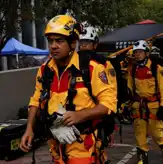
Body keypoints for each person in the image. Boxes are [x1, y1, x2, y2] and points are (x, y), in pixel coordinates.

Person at [19, 15, 117, 164]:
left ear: (72, 43)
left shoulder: (91, 68)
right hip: (56, 144)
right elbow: (35, 100)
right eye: (50, 41)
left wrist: (80, 115)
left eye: (59, 41)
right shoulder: (45, 70)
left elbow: (108, 104)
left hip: (83, 145)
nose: (53, 46)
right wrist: (29, 129)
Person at [78, 25, 117, 163]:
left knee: (98, 146)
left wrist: (110, 115)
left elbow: (111, 91)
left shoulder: (104, 64)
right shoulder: (72, 63)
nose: (83, 46)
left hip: (98, 114)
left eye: (86, 43)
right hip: (77, 119)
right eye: (81, 43)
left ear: (94, 44)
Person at [127, 40, 163, 164]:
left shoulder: (157, 68)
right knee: (139, 131)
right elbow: (130, 88)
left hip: (154, 106)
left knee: (156, 132)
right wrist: (128, 104)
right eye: (136, 52)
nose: (137, 54)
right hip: (139, 106)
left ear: (147, 53)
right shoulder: (133, 69)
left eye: (140, 52)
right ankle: (143, 156)